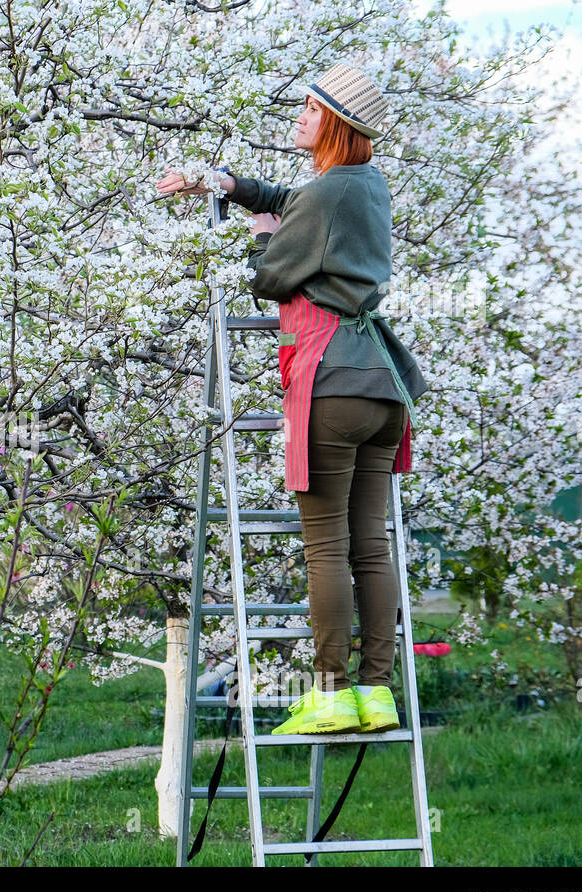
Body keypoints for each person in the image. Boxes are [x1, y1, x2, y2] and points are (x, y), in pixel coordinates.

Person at [156, 64, 428, 735]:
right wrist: (228, 185)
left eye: (310, 110)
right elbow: (296, 201)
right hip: (382, 389)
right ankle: (374, 692)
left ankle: (330, 691)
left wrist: (260, 239)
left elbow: (271, 277)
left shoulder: (329, 193)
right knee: (369, 543)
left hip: (331, 379)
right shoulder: (364, 185)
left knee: (324, 547)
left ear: (334, 124)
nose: (300, 119)